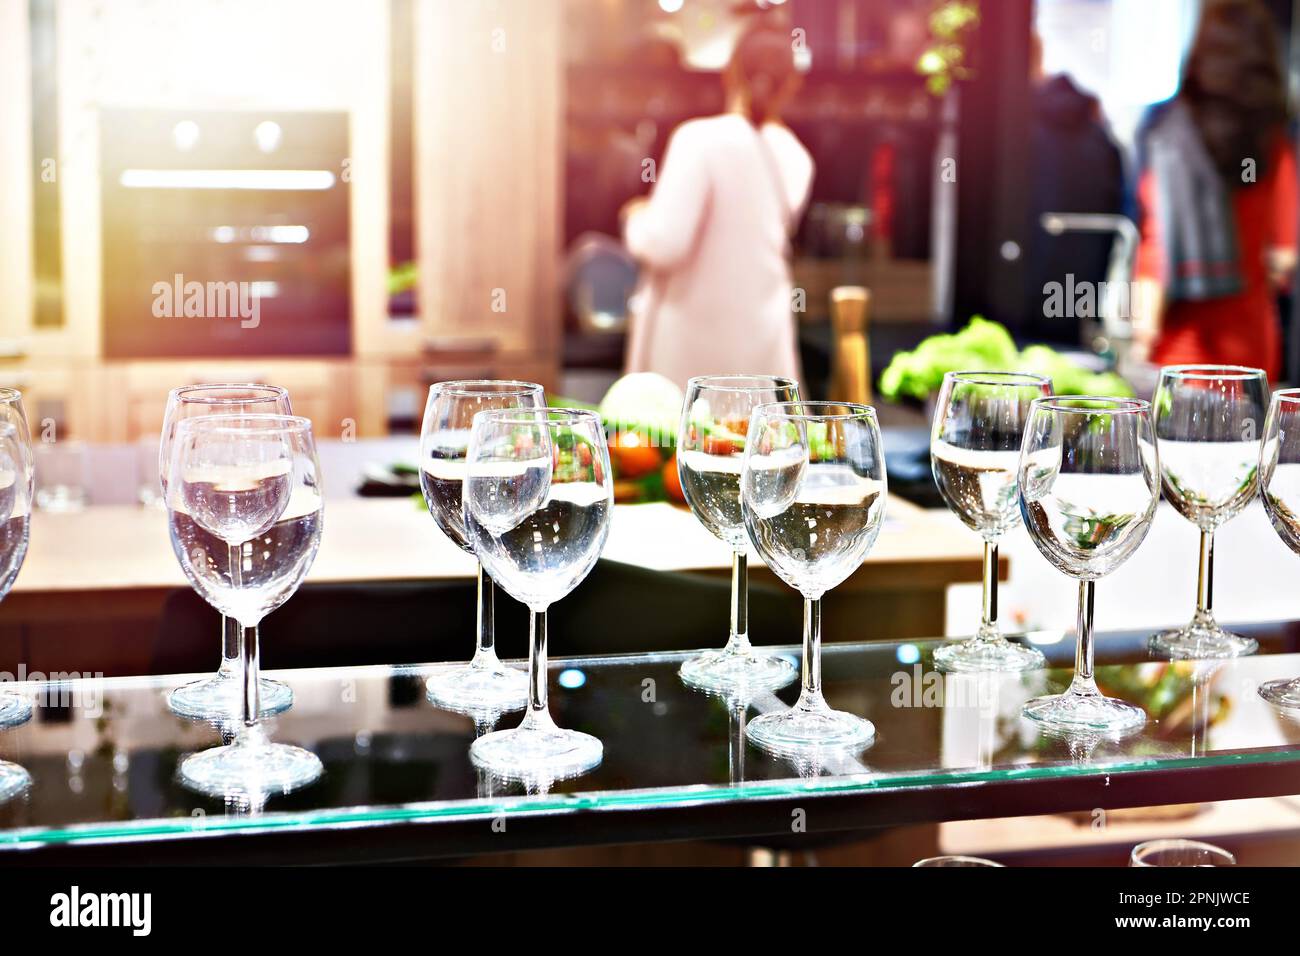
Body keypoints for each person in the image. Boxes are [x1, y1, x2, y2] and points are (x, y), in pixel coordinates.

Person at [621, 23, 813, 387]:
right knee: (758, 440)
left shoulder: (698, 140)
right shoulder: (796, 157)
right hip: (763, 352)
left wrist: (635, 218)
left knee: (687, 441)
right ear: (791, 85)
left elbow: (665, 245)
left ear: (730, 73)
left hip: (690, 355)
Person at [1131, 0, 1297, 379]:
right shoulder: (1275, 143)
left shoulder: (1169, 132)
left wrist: (1142, 335)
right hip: (1250, 348)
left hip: (1179, 349)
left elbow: (1155, 246)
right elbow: (1283, 256)